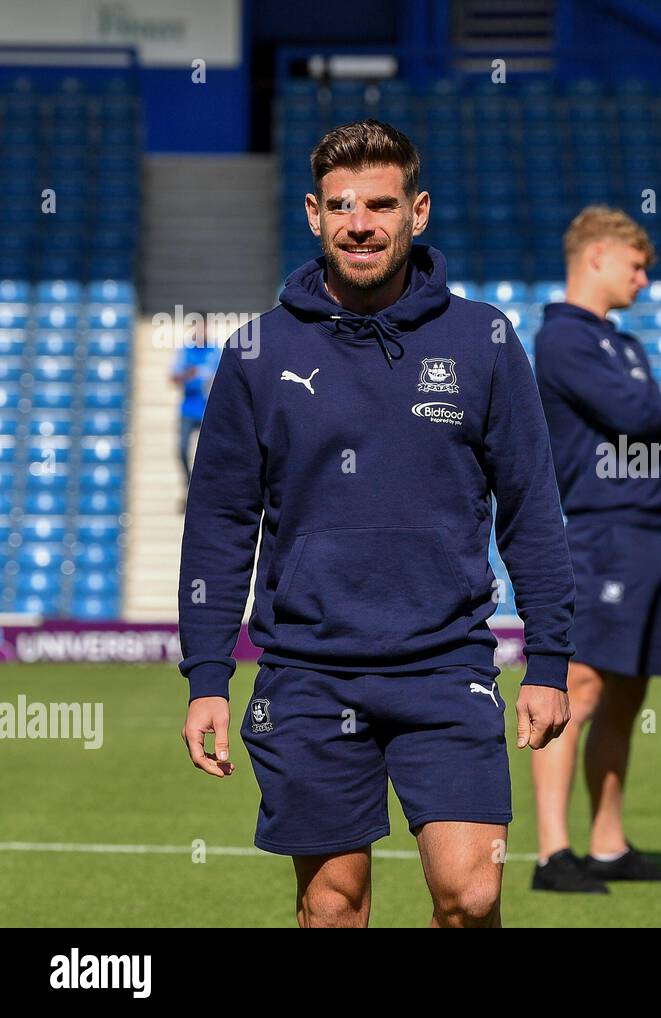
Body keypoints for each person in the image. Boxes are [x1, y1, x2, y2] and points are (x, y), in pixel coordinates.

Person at [177, 119, 576, 928]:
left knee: (471, 896)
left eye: (382, 204)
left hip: (446, 662)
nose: (362, 222)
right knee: (332, 907)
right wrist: (207, 674)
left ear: (417, 213)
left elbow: (532, 504)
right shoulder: (255, 353)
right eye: (342, 205)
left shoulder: (484, 338)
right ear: (315, 216)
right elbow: (221, 522)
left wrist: (549, 659)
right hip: (307, 670)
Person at [529, 206, 661, 892]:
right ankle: (552, 853)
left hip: (645, 531)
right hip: (598, 529)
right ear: (596, 257)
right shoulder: (562, 339)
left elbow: (658, 413)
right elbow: (638, 414)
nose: (643, 280)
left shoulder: (624, 345)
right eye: (636, 266)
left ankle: (607, 844)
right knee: (579, 685)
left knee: (628, 693)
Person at [170, 313, 219, 493]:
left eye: (204, 327)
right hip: (188, 409)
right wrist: (186, 375)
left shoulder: (215, 350)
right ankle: (189, 483)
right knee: (182, 449)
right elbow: (173, 377)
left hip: (209, 410)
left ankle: (207, 487)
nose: (202, 331)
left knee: (211, 452)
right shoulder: (184, 351)